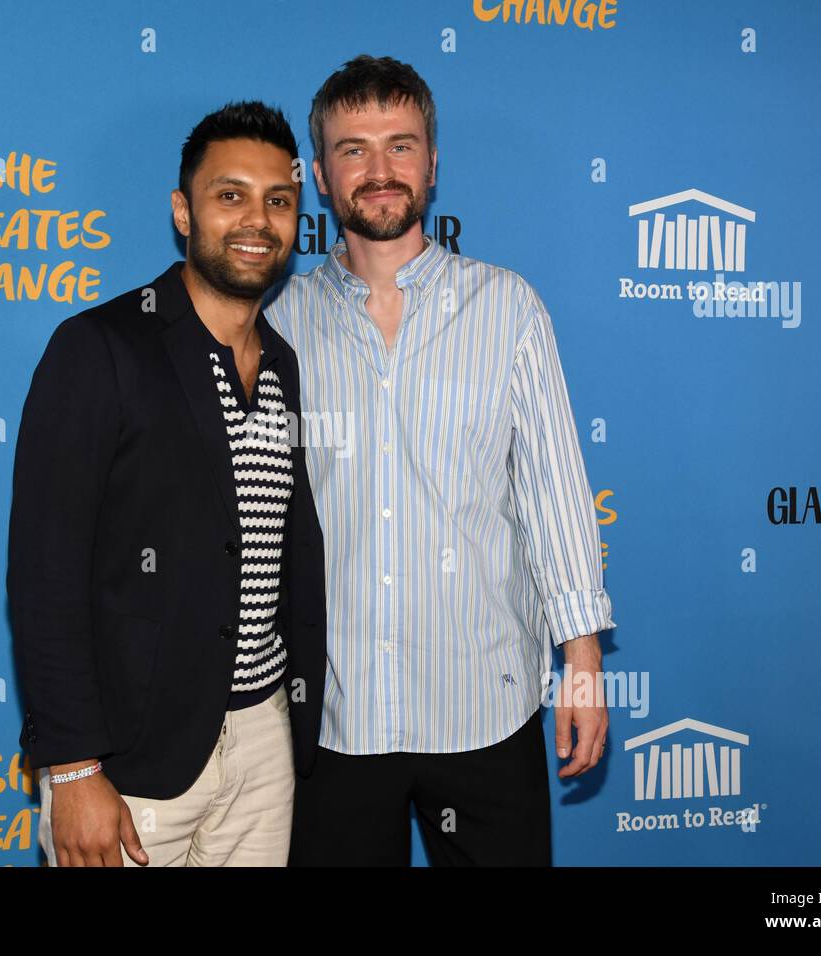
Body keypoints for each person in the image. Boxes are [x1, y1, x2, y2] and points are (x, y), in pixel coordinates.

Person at [264, 55, 616, 866]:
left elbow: (554, 495)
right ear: (320, 172)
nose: (379, 170)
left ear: (432, 162)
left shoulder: (508, 308)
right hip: (335, 722)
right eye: (353, 149)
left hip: (482, 711)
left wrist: (584, 661)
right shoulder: (278, 326)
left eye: (401, 145)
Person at [6, 101, 327, 867]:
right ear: (184, 213)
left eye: (278, 201)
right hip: (131, 762)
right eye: (230, 195)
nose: (257, 219)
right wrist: (75, 768)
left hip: (263, 745)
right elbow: (45, 575)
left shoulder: (283, 365)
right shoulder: (101, 348)